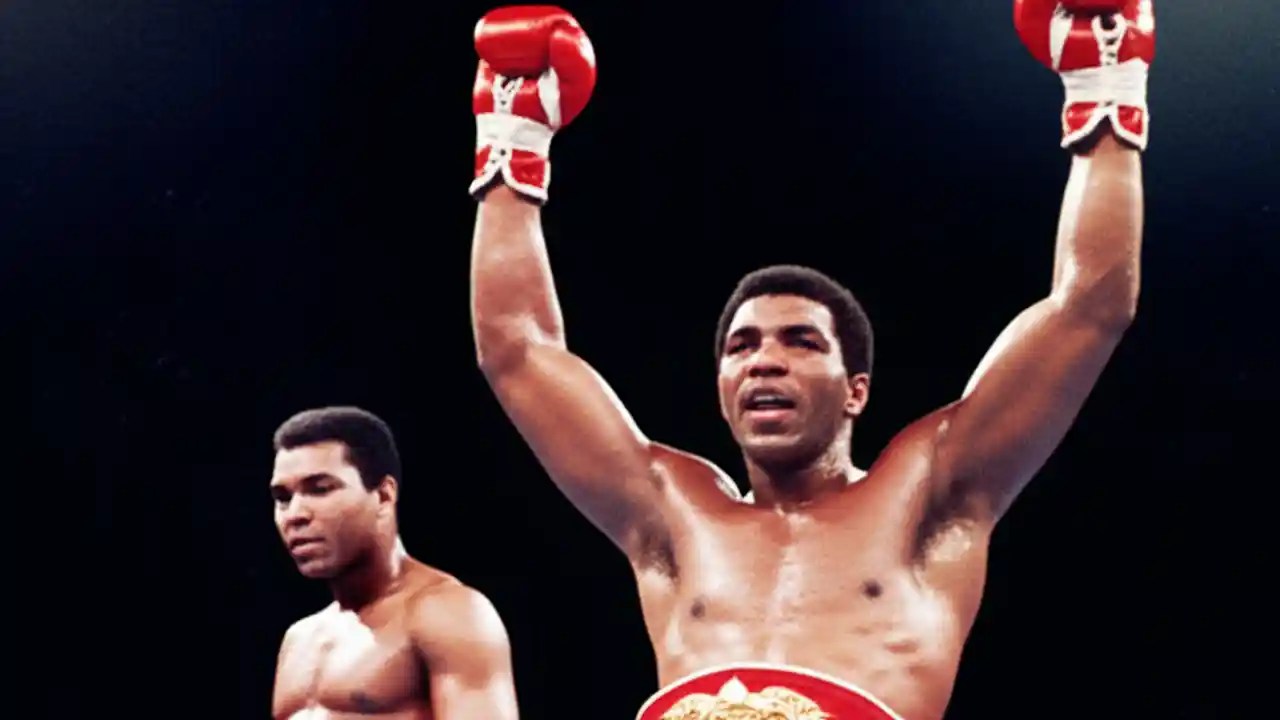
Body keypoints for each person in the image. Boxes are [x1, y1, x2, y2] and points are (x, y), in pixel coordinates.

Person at [468, 2, 1153, 718]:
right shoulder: (671, 511)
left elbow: (1088, 309)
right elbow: (517, 351)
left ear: (856, 390)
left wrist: (1105, 88)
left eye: (801, 342)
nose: (765, 361)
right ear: (722, 387)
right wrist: (512, 145)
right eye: (743, 346)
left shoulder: (927, 490)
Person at [268, 406, 520, 720]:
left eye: (320, 489)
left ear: (384, 495)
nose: (295, 514)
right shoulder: (299, 639)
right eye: (282, 498)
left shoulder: (448, 613)